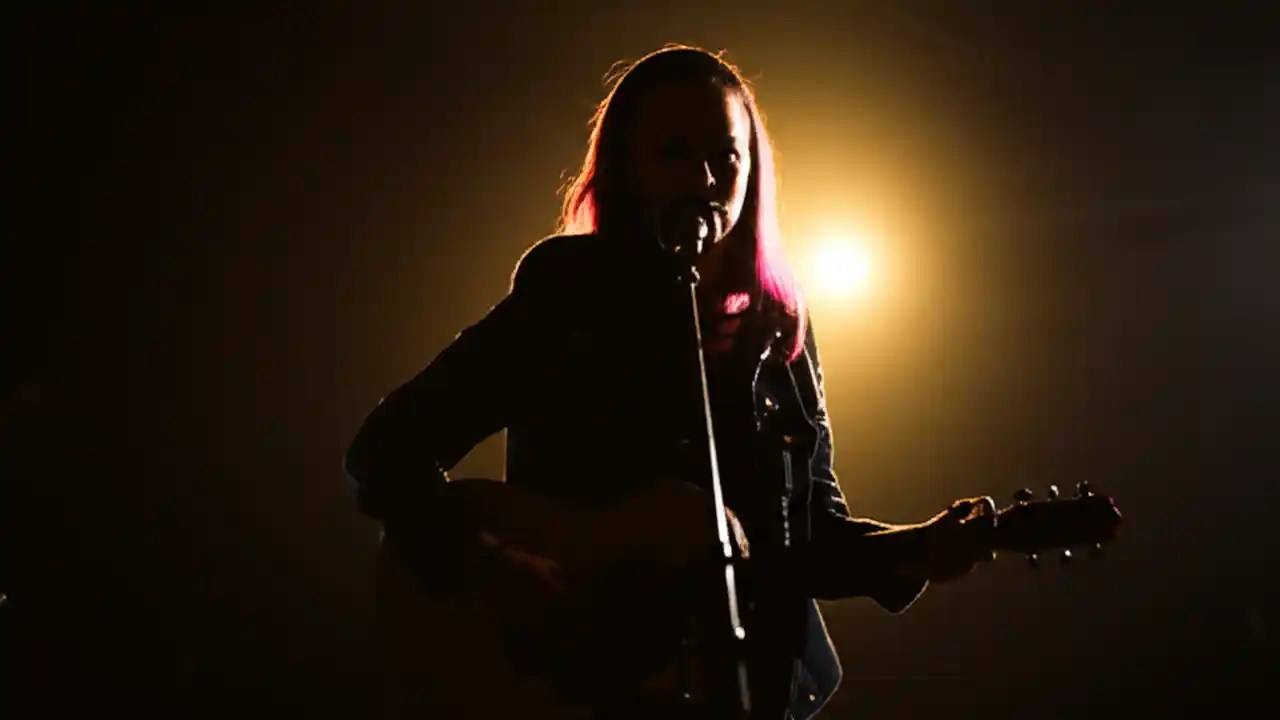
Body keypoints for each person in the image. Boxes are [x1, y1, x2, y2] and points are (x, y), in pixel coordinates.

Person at [344, 44, 997, 719]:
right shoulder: (570, 297)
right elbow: (386, 449)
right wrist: (493, 566)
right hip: (580, 687)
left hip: (735, 690)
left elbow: (805, 543)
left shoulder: (777, 333)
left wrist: (918, 549)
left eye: (726, 156)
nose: (705, 179)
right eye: (674, 154)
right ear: (628, 169)